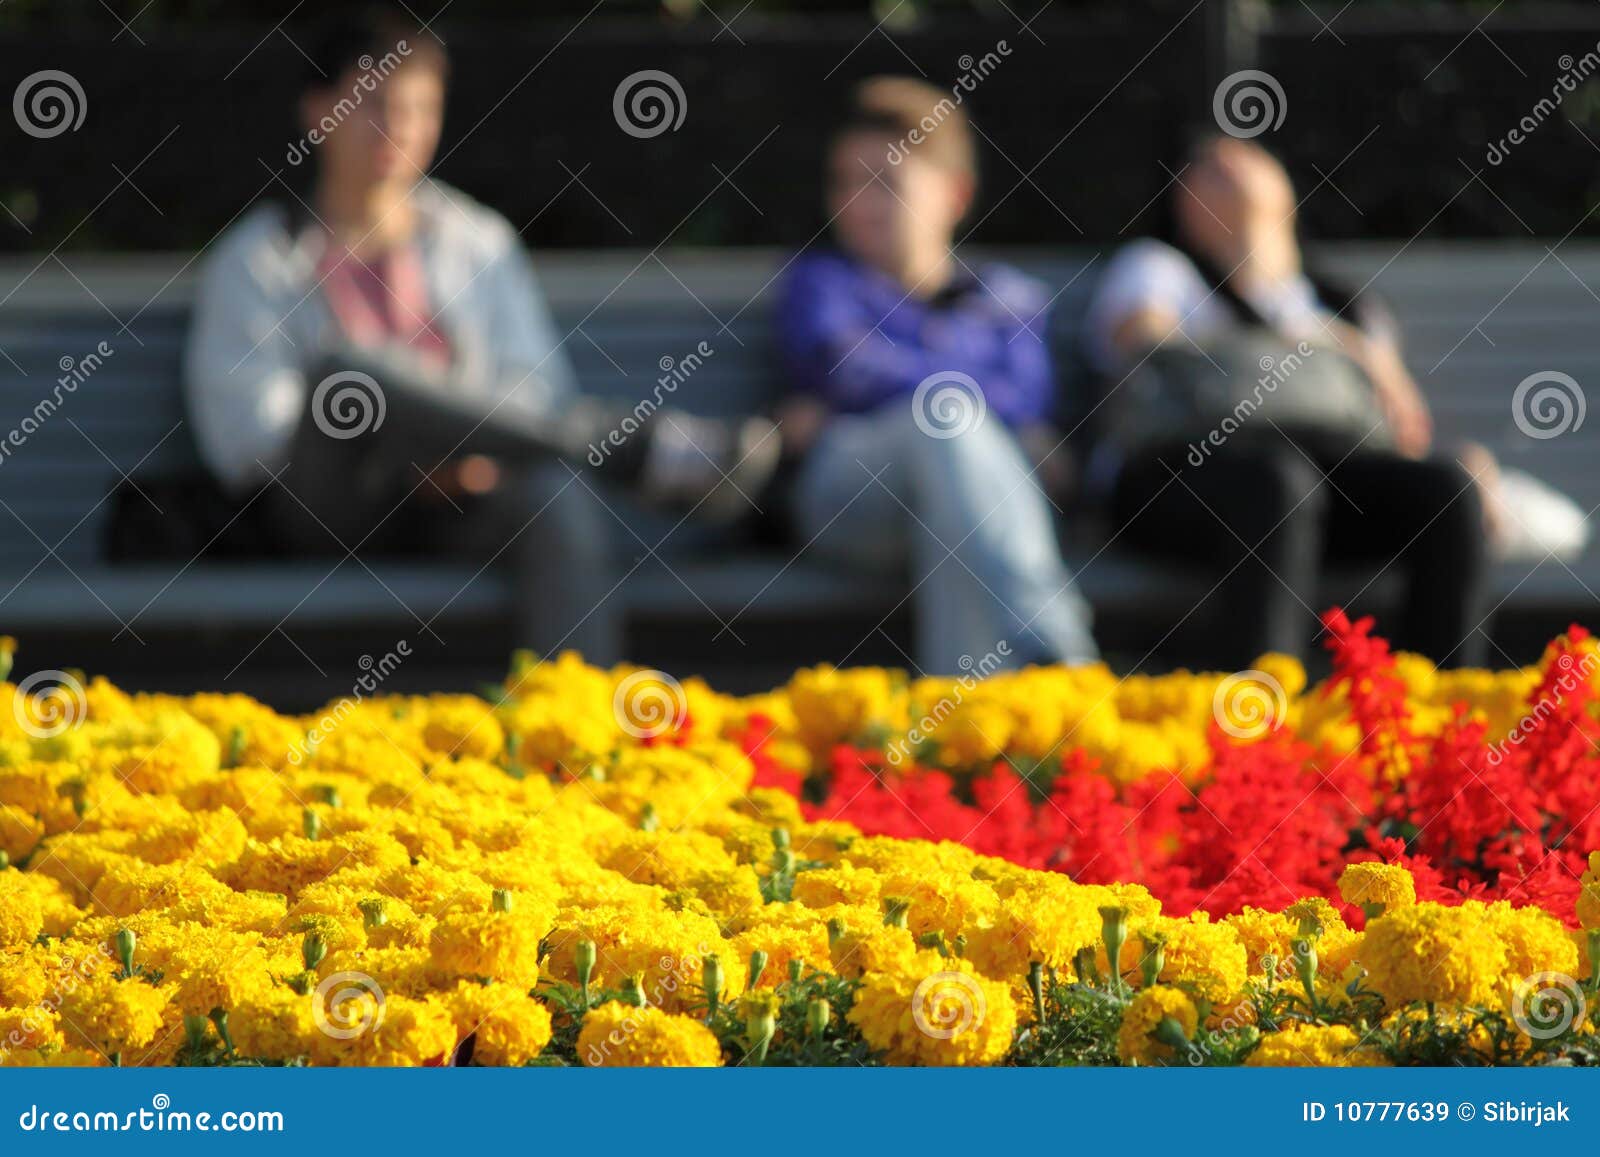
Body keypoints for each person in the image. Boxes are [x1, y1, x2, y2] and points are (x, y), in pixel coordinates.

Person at [184, 7, 774, 665]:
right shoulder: (255, 259)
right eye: (372, 103)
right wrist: (411, 454)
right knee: (346, 373)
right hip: (328, 514)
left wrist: (472, 457)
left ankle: (574, 733)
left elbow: (536, 386)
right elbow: (251, 444)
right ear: (319, 109)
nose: (396, 128)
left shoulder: (477, 240)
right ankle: (629, 448)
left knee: (555, 495)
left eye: (418, 108)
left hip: (465, 496)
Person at [1082, 134, 1491, 669]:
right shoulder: (1158, 269)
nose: (1227, 165)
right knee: (1279, 482)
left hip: (1321, 482)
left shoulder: (1345, 304)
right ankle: (1257, 718)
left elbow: (1404, 427)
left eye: (1244, 159)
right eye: (1207, 168)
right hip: (1180, 478)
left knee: (1448, 492)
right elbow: (1136, 341)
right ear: (1183, 203)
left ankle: (1437, 715)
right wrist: (1318, 343)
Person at [775, 77, 1098, 675]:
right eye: (846, 184)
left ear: (954, 194)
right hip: (852, 503)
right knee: (946, 420)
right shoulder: (818, 283)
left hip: (970, 507)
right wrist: (970, 386)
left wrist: (922, 376)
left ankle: (965, 727)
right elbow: (845, 370)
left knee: (953, 458)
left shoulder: (1011, 296)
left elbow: (1028, 395)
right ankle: (1058, 652)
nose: (859, 204)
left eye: (884, 184)